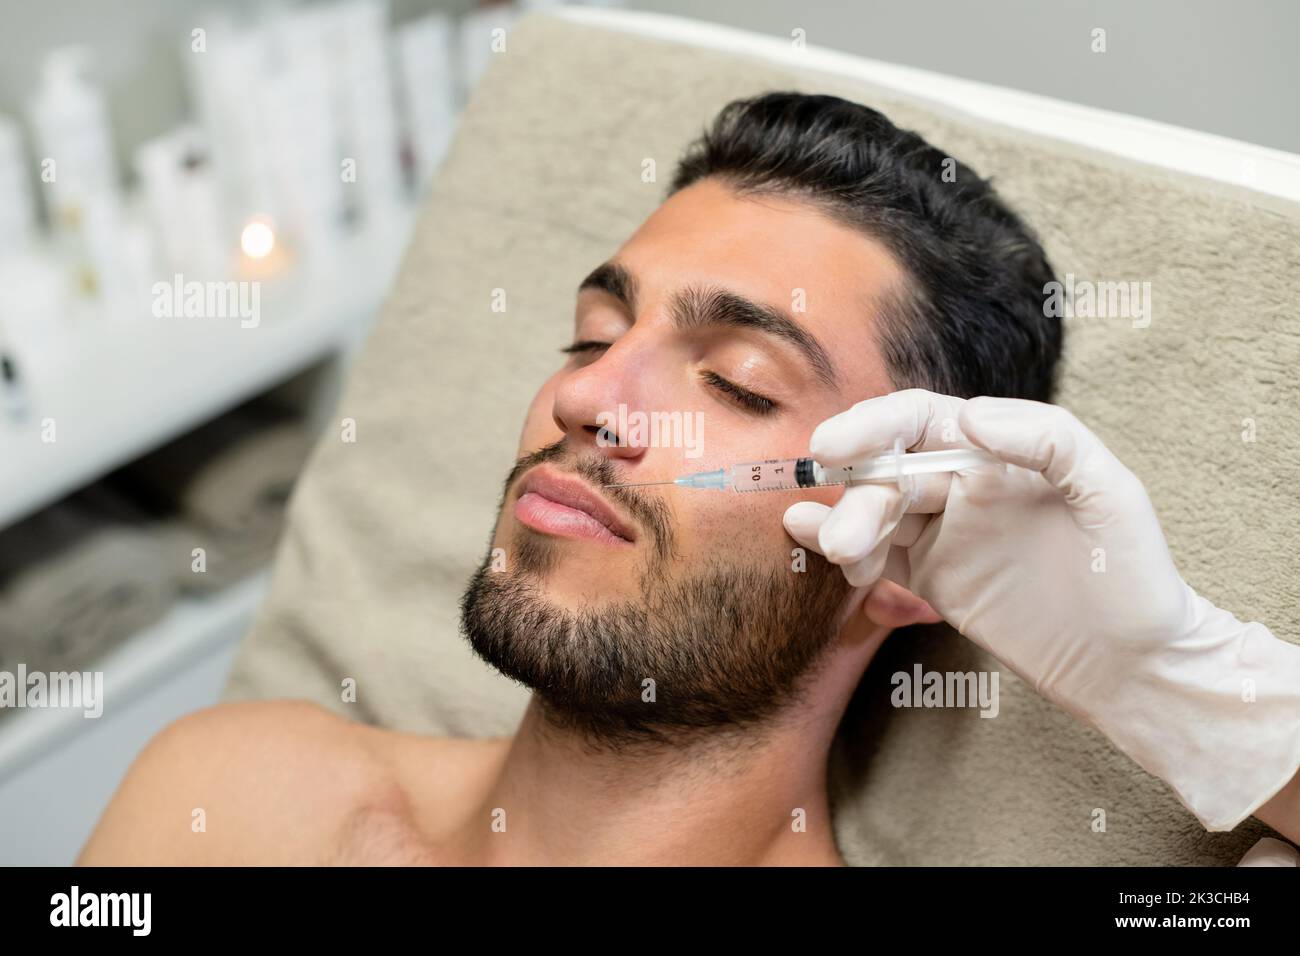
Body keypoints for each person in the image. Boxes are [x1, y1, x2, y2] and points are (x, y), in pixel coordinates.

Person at [77, 93, 1296, 866]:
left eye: (741, 382)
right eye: (590, 335)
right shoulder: (234, 791)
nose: (586, 400)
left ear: (911, 540)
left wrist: (1176, 681)